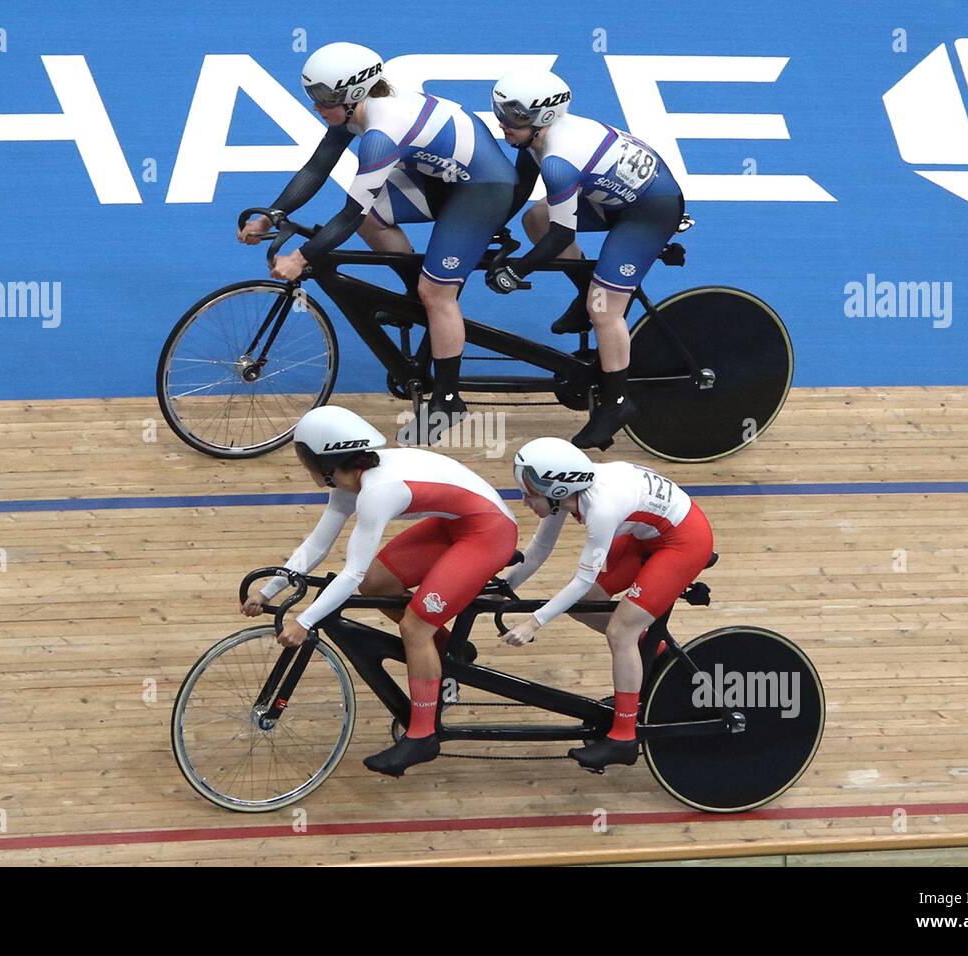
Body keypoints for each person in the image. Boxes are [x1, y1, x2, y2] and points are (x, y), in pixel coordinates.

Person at [237, 42, 517, 442]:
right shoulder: (354, 110)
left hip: (482, 189)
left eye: (324, 98)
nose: (317, 106)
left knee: (437, 293)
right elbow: (317, 167)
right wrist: (271, 214)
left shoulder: (381, 133)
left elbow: (348, 213)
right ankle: (415, 303)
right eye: (312, 95)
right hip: (441, 176)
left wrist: (300, 257)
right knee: (375, 220)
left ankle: (448, 400)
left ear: (353, 95)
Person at [241, 405, 519, 776]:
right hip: (455, 523)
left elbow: (350, 573)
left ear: (326, 462)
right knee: (378, 583)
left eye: (304, 457)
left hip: (488, 532)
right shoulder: (350, 480)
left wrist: (305, 621)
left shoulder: (376, 492)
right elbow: (317, 546)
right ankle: (450, 649)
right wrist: (268, 590)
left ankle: (422, 735)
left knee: (415, 627)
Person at [483, 69, 685, 450]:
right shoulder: (536, 139)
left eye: (515, 117)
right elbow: (522, 190)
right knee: (535, 218)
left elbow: (563, 236)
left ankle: (617, 403)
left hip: (648, 212)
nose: (504, 124)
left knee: (604, 309)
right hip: (613, 196)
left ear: (542, 118)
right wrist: (487, 230)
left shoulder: (559, 158)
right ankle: (584, 292)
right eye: (501, 112)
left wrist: (517, 269)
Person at [499, 437, 713, 771]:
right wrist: (503, 585)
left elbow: (584, 577)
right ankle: (654, 653)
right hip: (646, 533)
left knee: (620, 632)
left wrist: (533, 622)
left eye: (530, 493)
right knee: (584, 603)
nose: (523, 500)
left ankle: (624, 737)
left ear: (557, 490)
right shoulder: (568, 498)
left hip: (682, 541)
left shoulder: (600, 509)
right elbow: (539, 549)